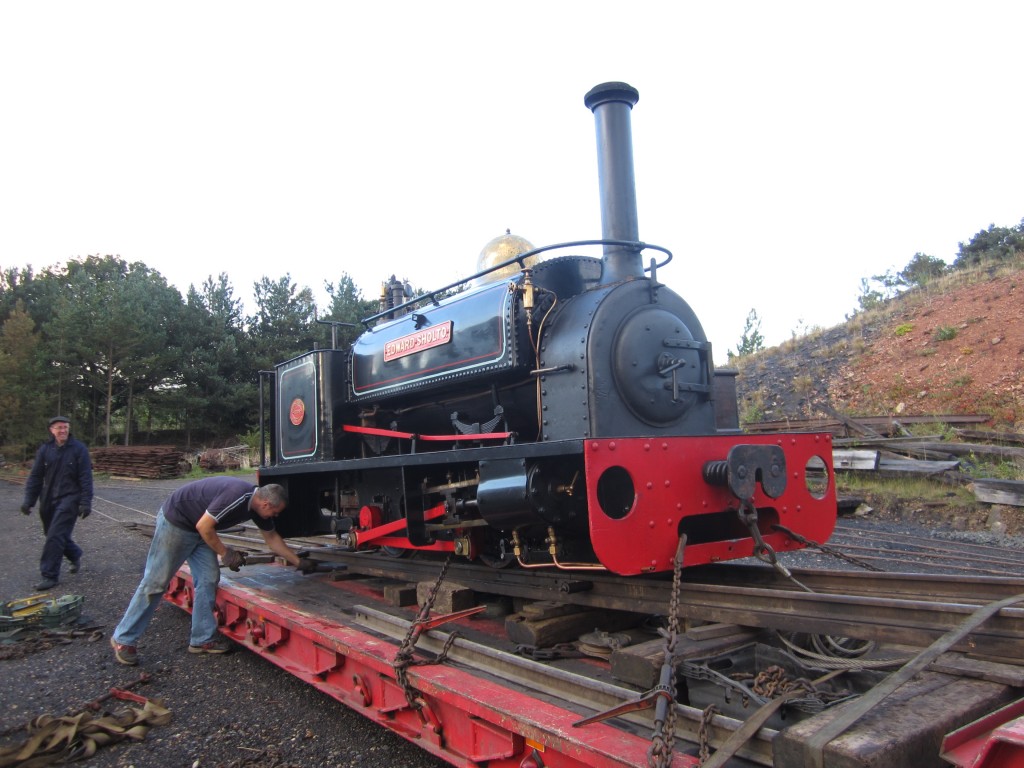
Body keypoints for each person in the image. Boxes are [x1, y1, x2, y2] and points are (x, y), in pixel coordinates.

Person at [110, 477, 316, 666]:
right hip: (178, 524)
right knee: (155, 582)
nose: (276, 515)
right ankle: (124, 639)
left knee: (208, 578)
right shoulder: (237, 496)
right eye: (275, 511)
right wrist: (226, 554)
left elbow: (272, 539)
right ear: (266, 504)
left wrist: (298, 562)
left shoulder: (257, 508)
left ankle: (201, 640)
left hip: (199, 529)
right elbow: (205, 526)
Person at [21, 415, 94, 591]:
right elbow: (36, 477)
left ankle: (49, 575)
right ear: (51, 430)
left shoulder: (78, 449)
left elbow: (86, 477)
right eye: (59, 428)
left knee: (55, 536)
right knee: (52, 533)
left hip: (70, 499)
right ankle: (74, 553)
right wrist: (29, 501)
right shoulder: (45, 450)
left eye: (65, 427)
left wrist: (85, 501)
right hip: (48, 498)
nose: (62, 430)